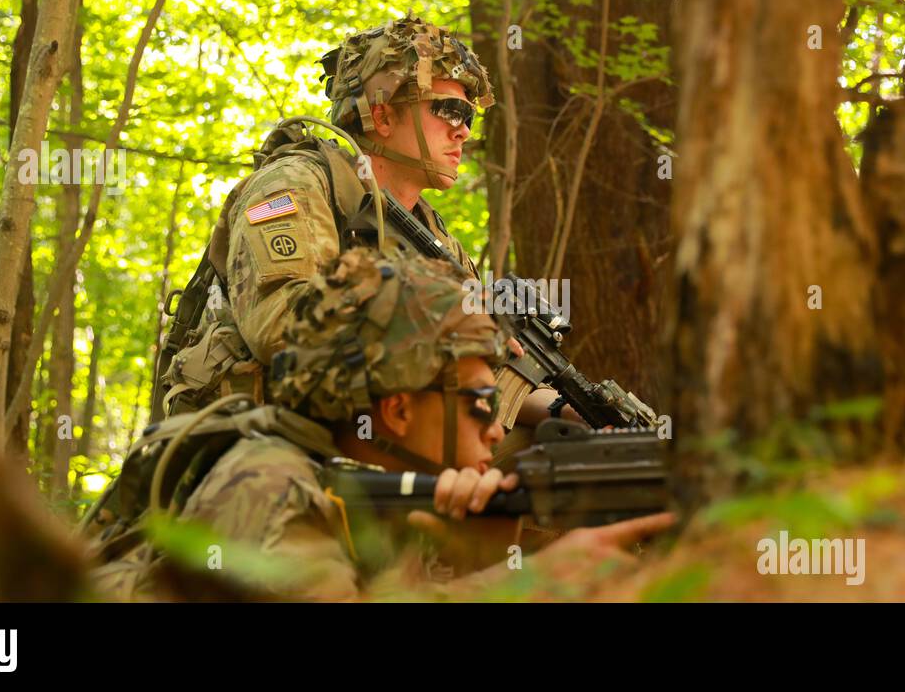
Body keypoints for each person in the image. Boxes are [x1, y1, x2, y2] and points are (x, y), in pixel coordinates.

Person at [90, 249, 673, 601]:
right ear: (395, 410)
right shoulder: (268, 483)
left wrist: (481, 557)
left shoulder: (371, 501)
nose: (497, 430)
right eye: (478, 405)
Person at [156, 15, 568, 429]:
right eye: (449, 110)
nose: (462, 132)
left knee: (562, 445)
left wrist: (560, 410)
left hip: (374, 436)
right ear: (382, 116)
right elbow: (283, 332)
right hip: (263, 445)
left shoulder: (432, 238)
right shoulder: (297, 186)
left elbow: (483, 374)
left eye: (468, 117)